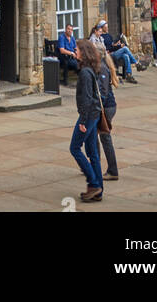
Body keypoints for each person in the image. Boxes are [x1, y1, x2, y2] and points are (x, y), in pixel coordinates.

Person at [69, 38, 103, 202]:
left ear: (84, 52)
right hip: (94, 114)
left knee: (75, 148)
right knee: (92, 153)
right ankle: (98, 191)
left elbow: (87, 98)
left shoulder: (85, 73)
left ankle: (93, 183)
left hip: (89, 115)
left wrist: (82, 121)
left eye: (77, 49)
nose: (75, 51)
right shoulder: (90, 69)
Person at [96, 54, 119, 181]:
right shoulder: (100, 66)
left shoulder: (102, 67)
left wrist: (99, 109)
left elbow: (103, 92)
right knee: (94, 136)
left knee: (104, 137)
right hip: (107, 107)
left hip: (107, 107)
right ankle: (95, 165)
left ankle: (112, 170)